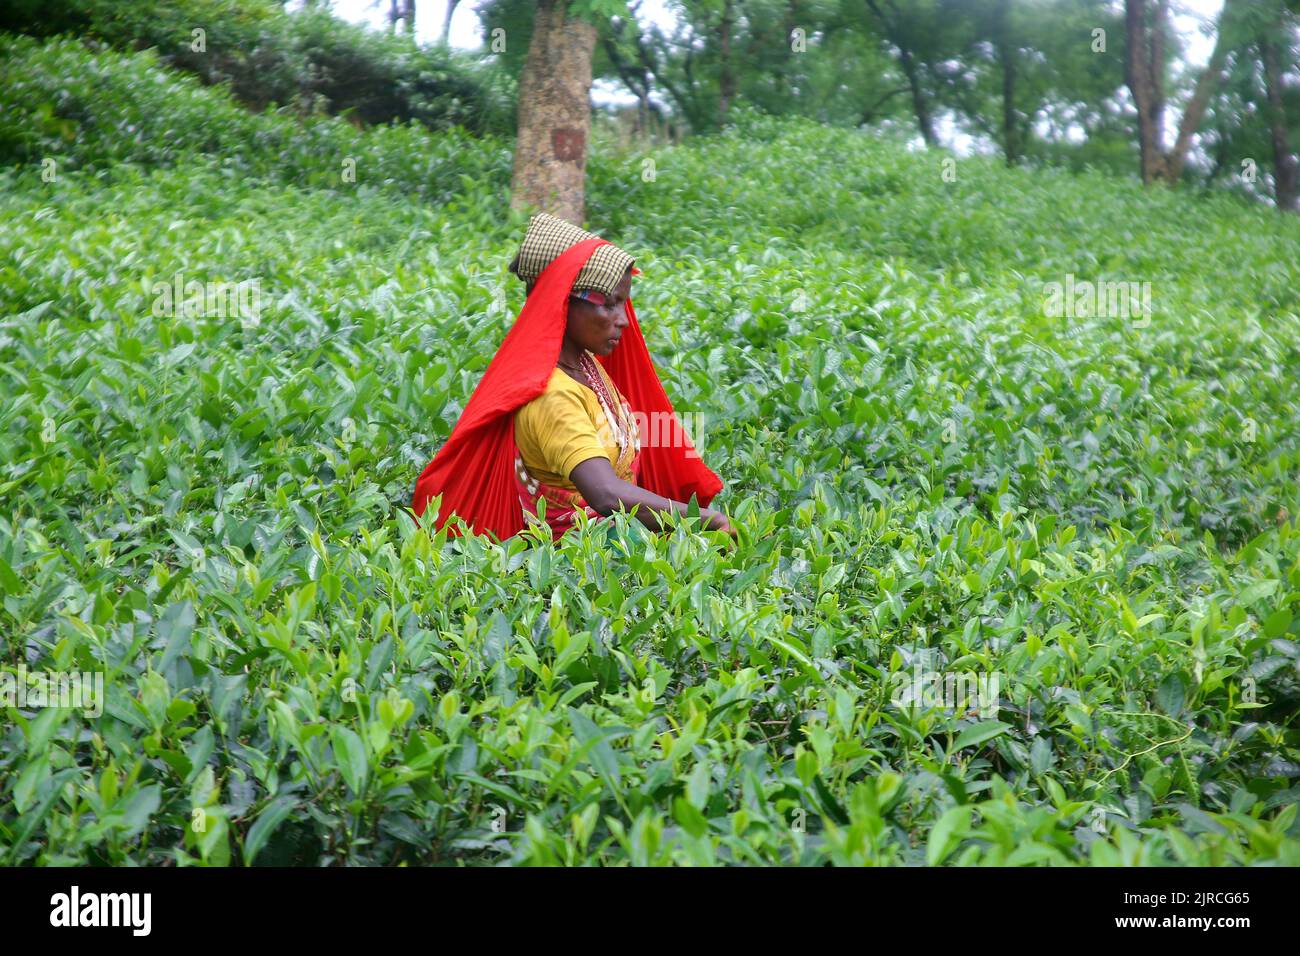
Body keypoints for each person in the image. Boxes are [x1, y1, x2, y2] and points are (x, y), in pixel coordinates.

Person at [412, 212, 733, 543]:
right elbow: (605, 494)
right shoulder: (553, 396)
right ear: (563, 303)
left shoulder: (586, 365)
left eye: (625, 303)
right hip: (578, 559)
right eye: (609, 304)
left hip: (617, 537)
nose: (624, 320)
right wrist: (706, 519)